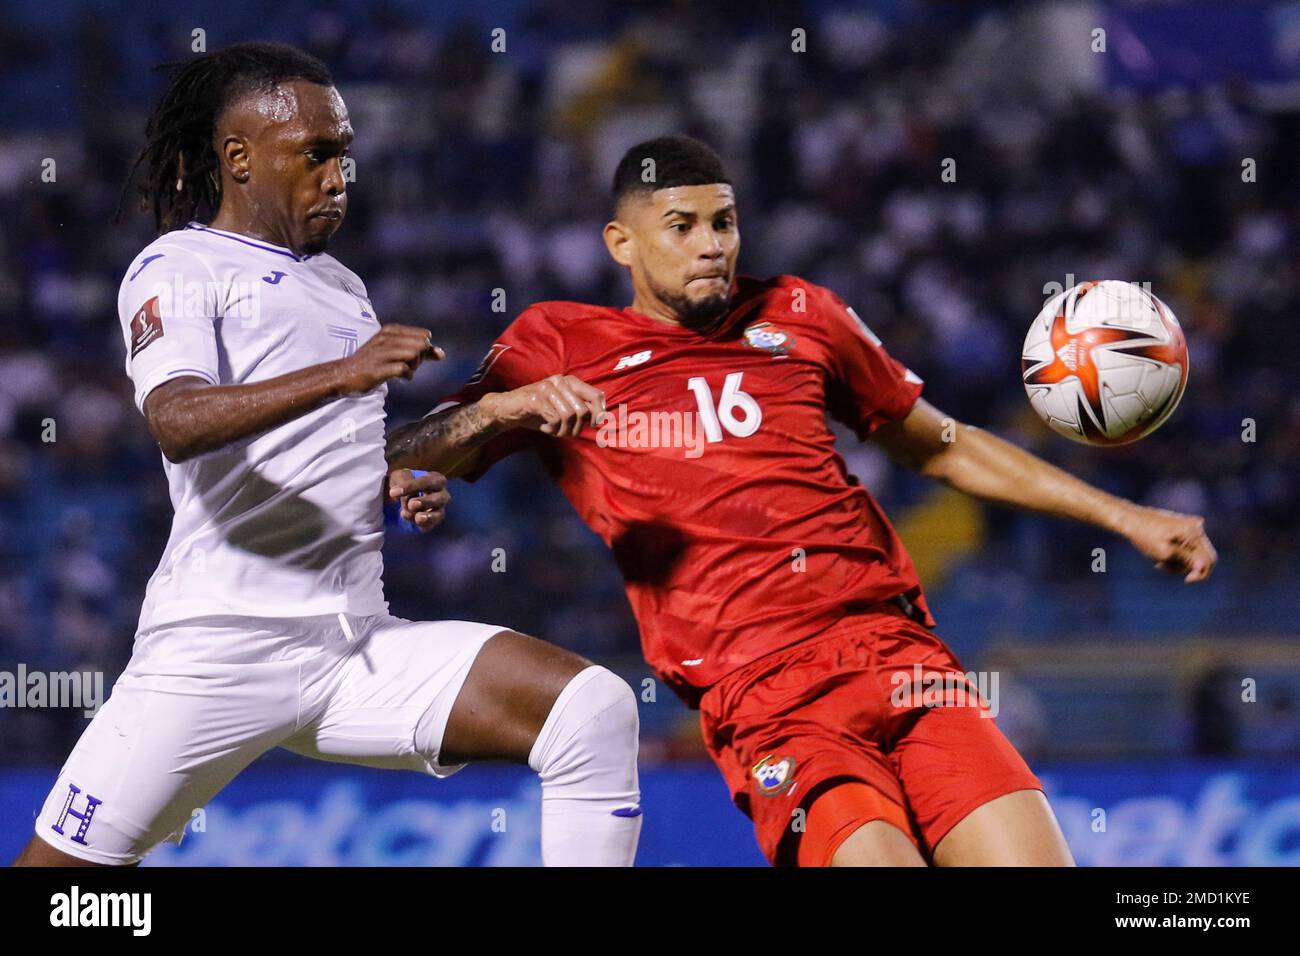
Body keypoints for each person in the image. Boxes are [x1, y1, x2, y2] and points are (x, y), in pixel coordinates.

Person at [387, 135, 1217, 866]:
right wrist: (500, 410)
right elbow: (400, 458)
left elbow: (943, 446)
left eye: (724, 222)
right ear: (621, 242)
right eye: (682, 226)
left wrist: (1124, 515)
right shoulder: (557, 342)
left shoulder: (799, 312)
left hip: (900, 656)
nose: (712, 246)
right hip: (766, 696)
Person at [14, 42, 641, 868]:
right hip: (218, 648)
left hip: (352, 647)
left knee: (590, 710)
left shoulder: (343, 288)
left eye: (343, 153)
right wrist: (344, 373)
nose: (338, 175)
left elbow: (352, 450)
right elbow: (177, 419)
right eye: (314, 153)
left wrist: (445, 445)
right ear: (239, 157)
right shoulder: (179, 265)